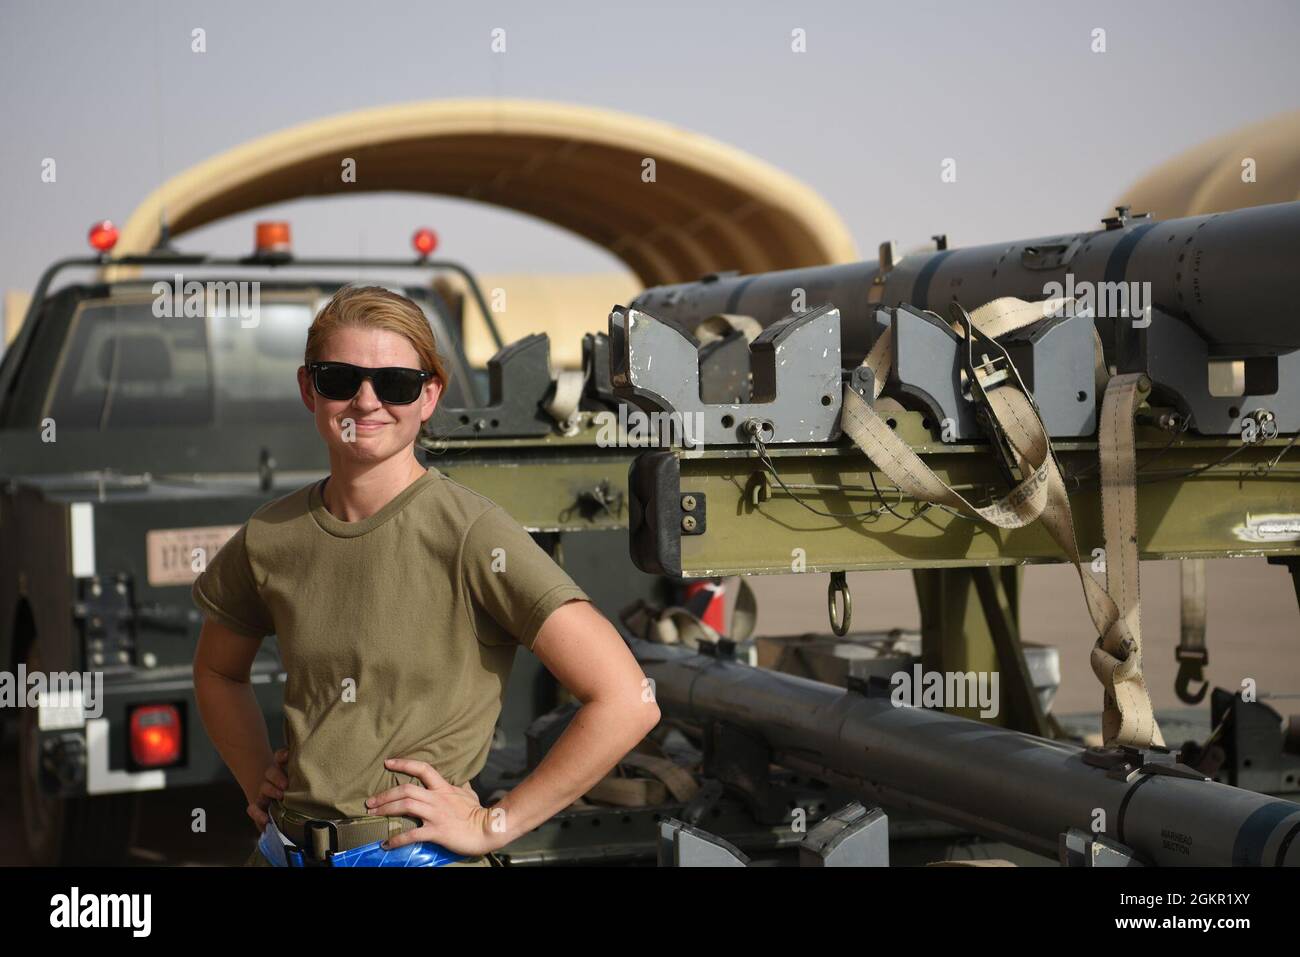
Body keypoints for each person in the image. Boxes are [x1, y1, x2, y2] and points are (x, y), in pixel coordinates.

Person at [191, 285, 661, 867]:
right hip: (283, 852)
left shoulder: (470, 534)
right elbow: (216, 671)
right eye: (340, 379)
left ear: (429, 395)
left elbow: (626, 700)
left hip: (410, 856)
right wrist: (253, 775)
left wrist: (494, 823)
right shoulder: (271, 535)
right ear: (308, 388)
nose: (366, 402)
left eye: (395, 383)